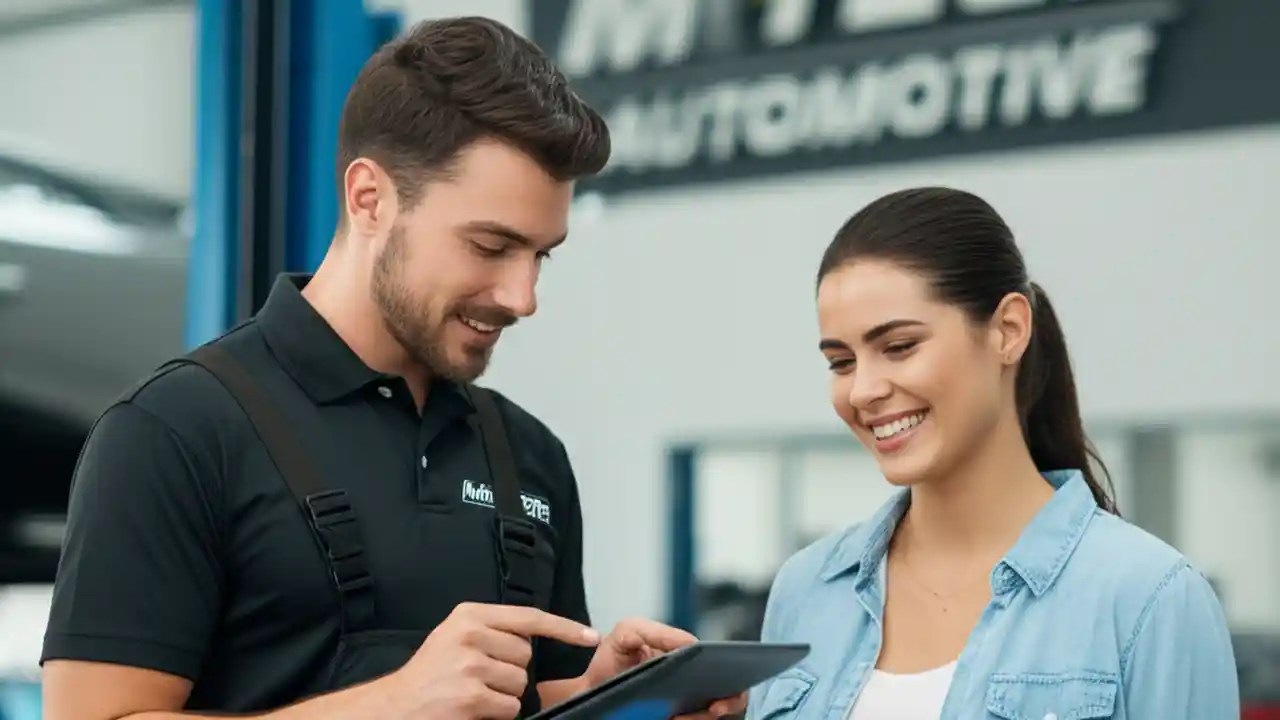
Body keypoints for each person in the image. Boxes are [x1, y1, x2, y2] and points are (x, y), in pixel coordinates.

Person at [40, 16, 743, 720]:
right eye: (489, 246)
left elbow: (525, 702)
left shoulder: (530, 457)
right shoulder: (175, 433)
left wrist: (606, 698)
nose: (522, 297)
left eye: (541, 255)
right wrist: (394, 704)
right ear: (369, 199)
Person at [745, 187, 1240, 719]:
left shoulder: (1150, 598)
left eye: (899, 347)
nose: (863, 390)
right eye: (841, 362)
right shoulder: (806, 589)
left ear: (1008, 331)